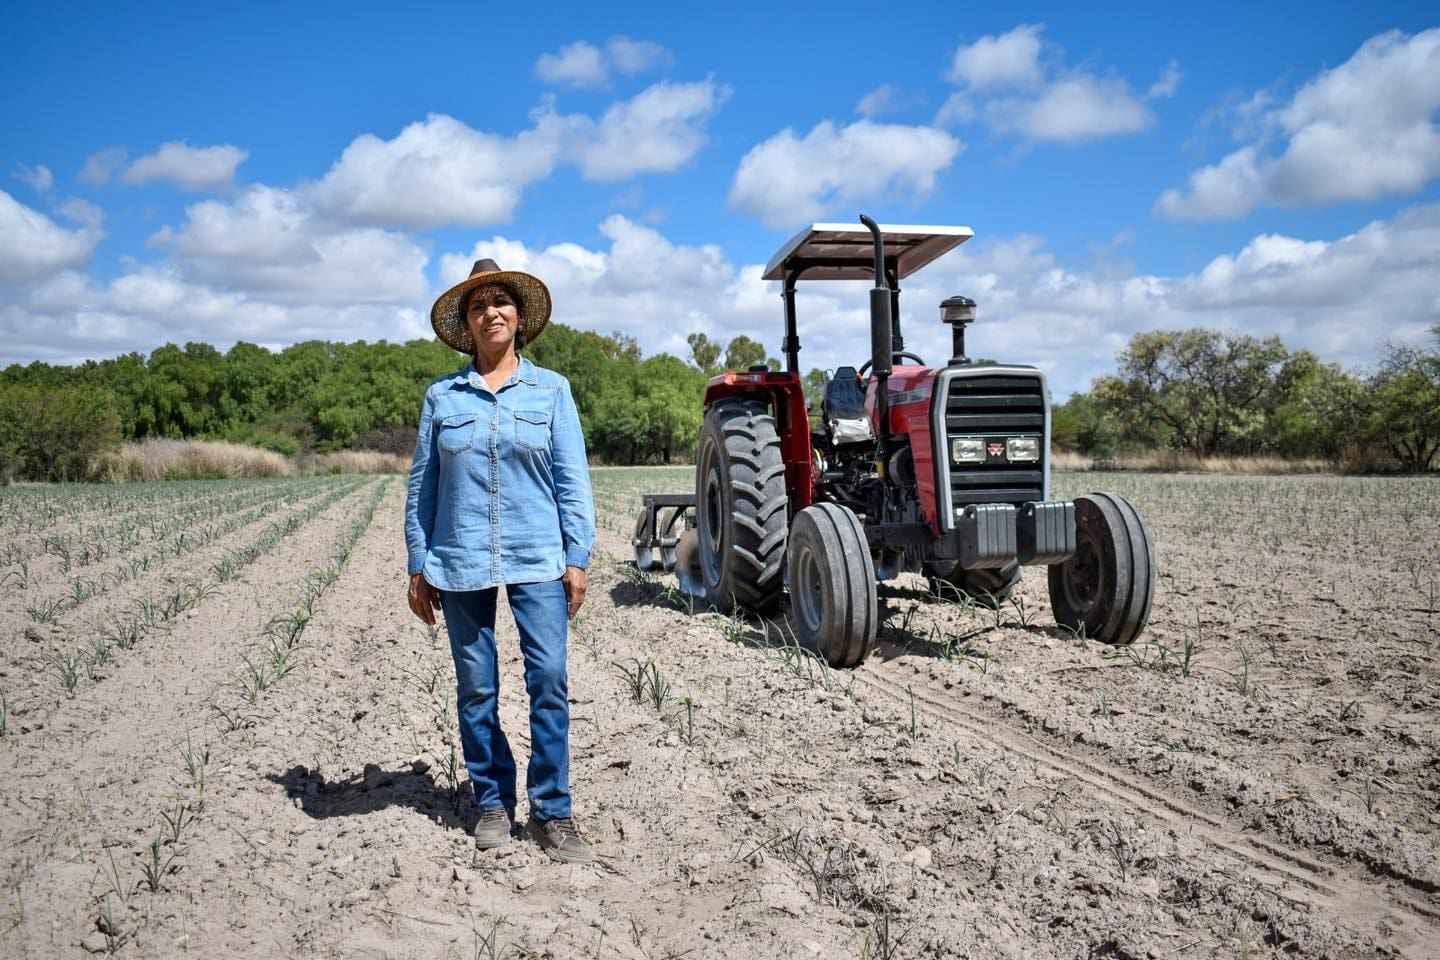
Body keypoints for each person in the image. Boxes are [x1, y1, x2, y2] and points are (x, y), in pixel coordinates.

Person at [404, 258, 596, 864]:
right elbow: (422, 487)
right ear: (467, 323)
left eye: (502, 302)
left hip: (538, 555)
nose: (493, 312)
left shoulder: (552, 390)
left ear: (519, 318)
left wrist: (577, 555)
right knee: (476, 688)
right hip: (459, 559)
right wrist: (418, 562)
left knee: (548, 683)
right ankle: (492, 802)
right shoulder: (443, 396)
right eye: (479, 304)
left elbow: (572, 479)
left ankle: (552, 812)